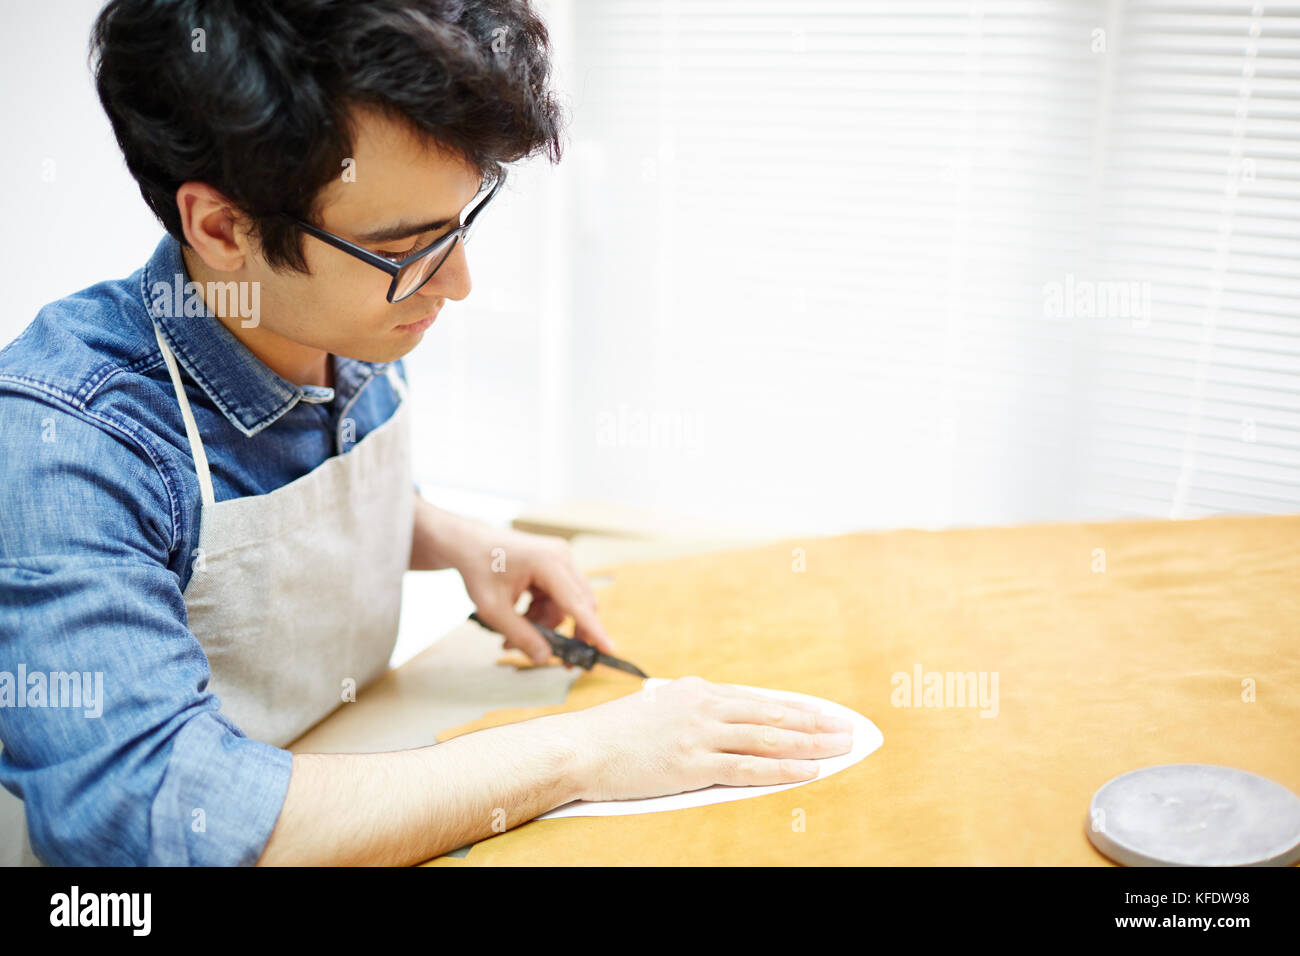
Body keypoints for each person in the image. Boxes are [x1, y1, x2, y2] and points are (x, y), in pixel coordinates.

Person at [0, 0, 852, 866]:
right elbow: (151, 817)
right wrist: (590, 752)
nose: (459, 283)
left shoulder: (347, 314)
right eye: (408, 249)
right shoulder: (67, 443)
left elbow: (263, 494)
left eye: (460, 225)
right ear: (222, 228)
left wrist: (448, 537)